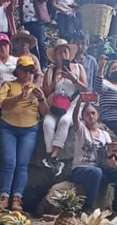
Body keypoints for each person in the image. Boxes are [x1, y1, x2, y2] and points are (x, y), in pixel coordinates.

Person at [0, 56, 48, 212]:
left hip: (29, 129)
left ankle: (17, 198)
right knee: (9, 162)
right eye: (25, 70)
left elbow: (45, 112)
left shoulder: (36, 89)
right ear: (17, 71)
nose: (28, 74)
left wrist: (43, 98)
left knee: (22, 164)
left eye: (31, 71)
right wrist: (20, 97)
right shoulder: (8, 85)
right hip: (8, 128)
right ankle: (4, 196)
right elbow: (0, 103)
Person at [69, 102, 117, 212]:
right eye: (87, 114)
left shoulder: (104, 134)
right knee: (96, 172)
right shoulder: (82, 130)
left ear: (98, 114)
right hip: (81, 169)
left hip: (100, 169)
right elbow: (74, 117)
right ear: (83, 117)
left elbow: (112, 152)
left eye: (93, 113)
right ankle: (88, 207)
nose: (91, 116)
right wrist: (81, 99)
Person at [42, 39, 87, 175]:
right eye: (59, 52)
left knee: (65, 121)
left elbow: (85, 88)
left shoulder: (78, 68)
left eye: (65, 52)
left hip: (73, 104)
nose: (63, 55)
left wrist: (73, 78)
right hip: (56, 104)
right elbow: (45, 92)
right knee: (47, 123)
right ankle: (53, 159)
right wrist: (55, 81)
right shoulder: (50, 71)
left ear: (69, 54)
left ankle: (53, 156)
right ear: (55, 56)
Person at [19, 0, 51, 69]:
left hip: (38, 21)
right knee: (31, 44)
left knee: (41, 43)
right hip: (27, 21)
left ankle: (44, 65)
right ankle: (35, 63)